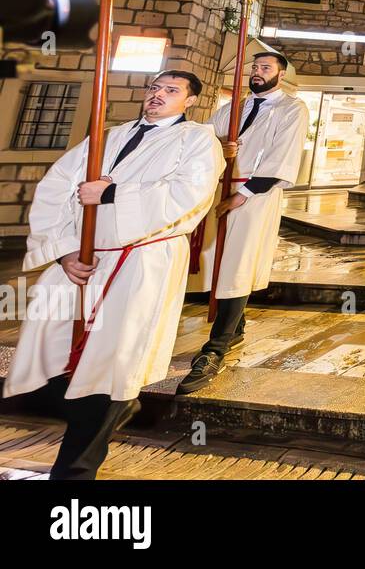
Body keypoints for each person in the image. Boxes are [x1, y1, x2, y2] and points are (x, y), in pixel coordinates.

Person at [4, 71, 222, 478]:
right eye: (154, 88)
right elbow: (56, 187)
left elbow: (188, 196)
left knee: (110, 366)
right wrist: (66, 250)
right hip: (80, 263)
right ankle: (122, 405)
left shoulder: (197, 140)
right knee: (48, 355)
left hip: (139, 263)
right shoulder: (109, 137)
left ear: (190, 101)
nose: (157, 95)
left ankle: (74, 472)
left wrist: (111, 193)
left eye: (171, 90)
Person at [181, 51, 310, 393]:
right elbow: (205, 139)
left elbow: (283, 155)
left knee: (236, 264)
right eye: (254, 67)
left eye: (265, 68)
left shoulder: (291, 109)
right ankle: (235, 327)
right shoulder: (234, 107)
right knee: (217, 262)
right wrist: (219, 147)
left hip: (254, 195)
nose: (257, 72)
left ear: (281, 75)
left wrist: (242, 196)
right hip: (221, 188)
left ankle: (216, 347)